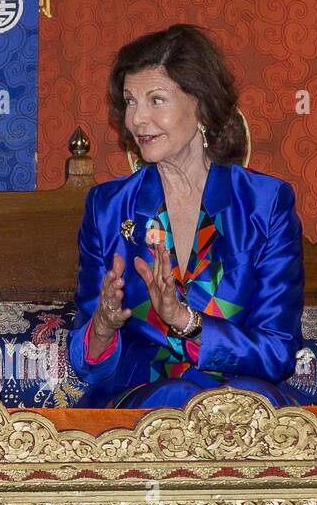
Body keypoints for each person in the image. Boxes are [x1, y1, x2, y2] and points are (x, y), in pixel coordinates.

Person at [68, 24, 304, 409]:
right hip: (142, 404)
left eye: (156, 100)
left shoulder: (265, 203)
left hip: (243, 403)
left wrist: (185, 320)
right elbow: (89, 367)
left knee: (245, 406)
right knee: (173, 397)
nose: (137, 120)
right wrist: (104, 326)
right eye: (130, 102)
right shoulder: (108, 208)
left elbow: (277, 353)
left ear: (200, 105)